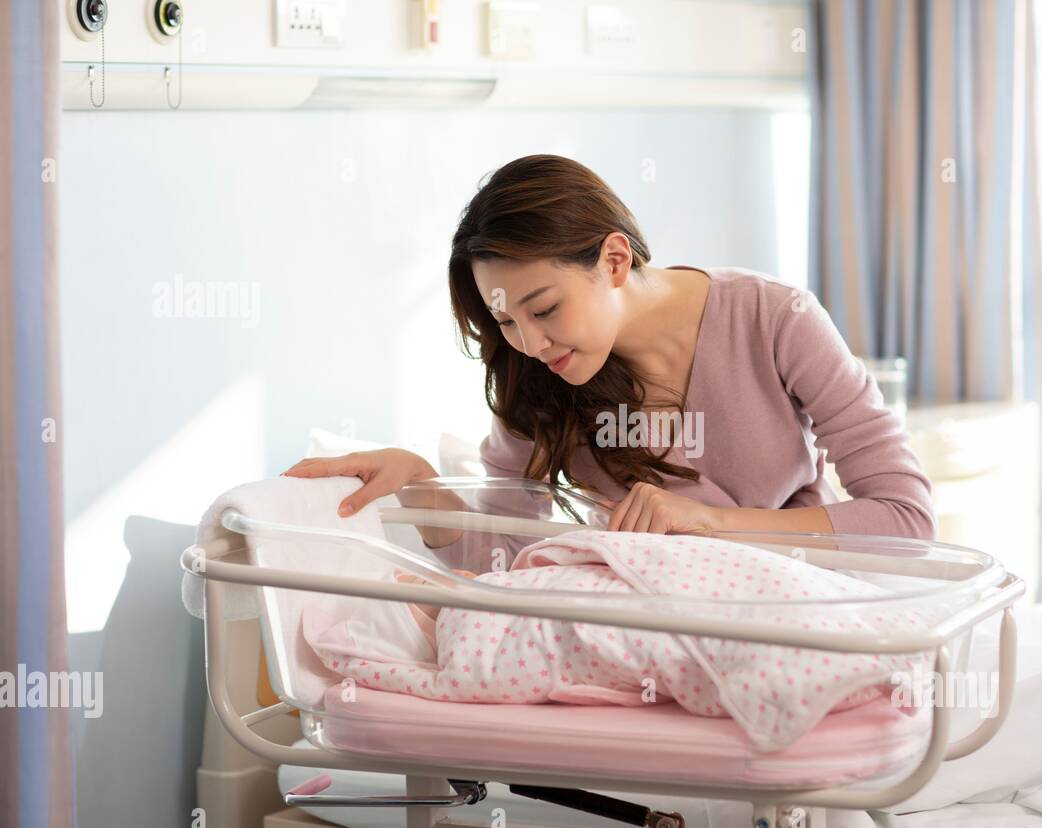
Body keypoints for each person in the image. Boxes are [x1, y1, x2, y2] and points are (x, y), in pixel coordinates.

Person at [283, 153, 933, 546]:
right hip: (648, 636)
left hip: (796, 615)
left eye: (545, 309)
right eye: (506, 321)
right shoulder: (534, 379)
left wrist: (709, 526)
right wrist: (422, 484)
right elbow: (502, 553)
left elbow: (906, 521)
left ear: (614, 260)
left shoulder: (775, 319)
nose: (531, 345)